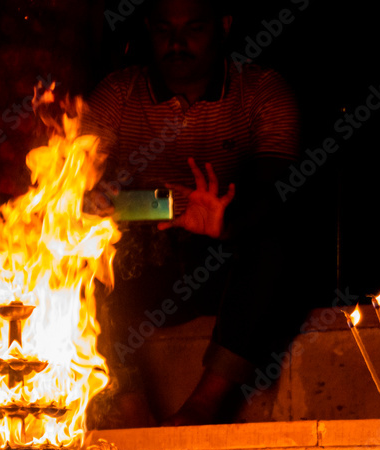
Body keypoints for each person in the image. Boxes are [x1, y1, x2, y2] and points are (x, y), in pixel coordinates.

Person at [82, 0, 314, 426]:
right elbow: (69, 188)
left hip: (225, 261)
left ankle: (203, 406)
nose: (177, 43)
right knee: (74, 249)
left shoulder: (261, 90)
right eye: (164, 29)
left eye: (194, 28)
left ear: (223, 26)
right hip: (140, 264)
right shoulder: (117, 95)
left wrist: (226, 223)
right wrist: (137, 205)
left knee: (278, 243)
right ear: (148, 29)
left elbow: (279, 190)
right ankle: (131, 406)